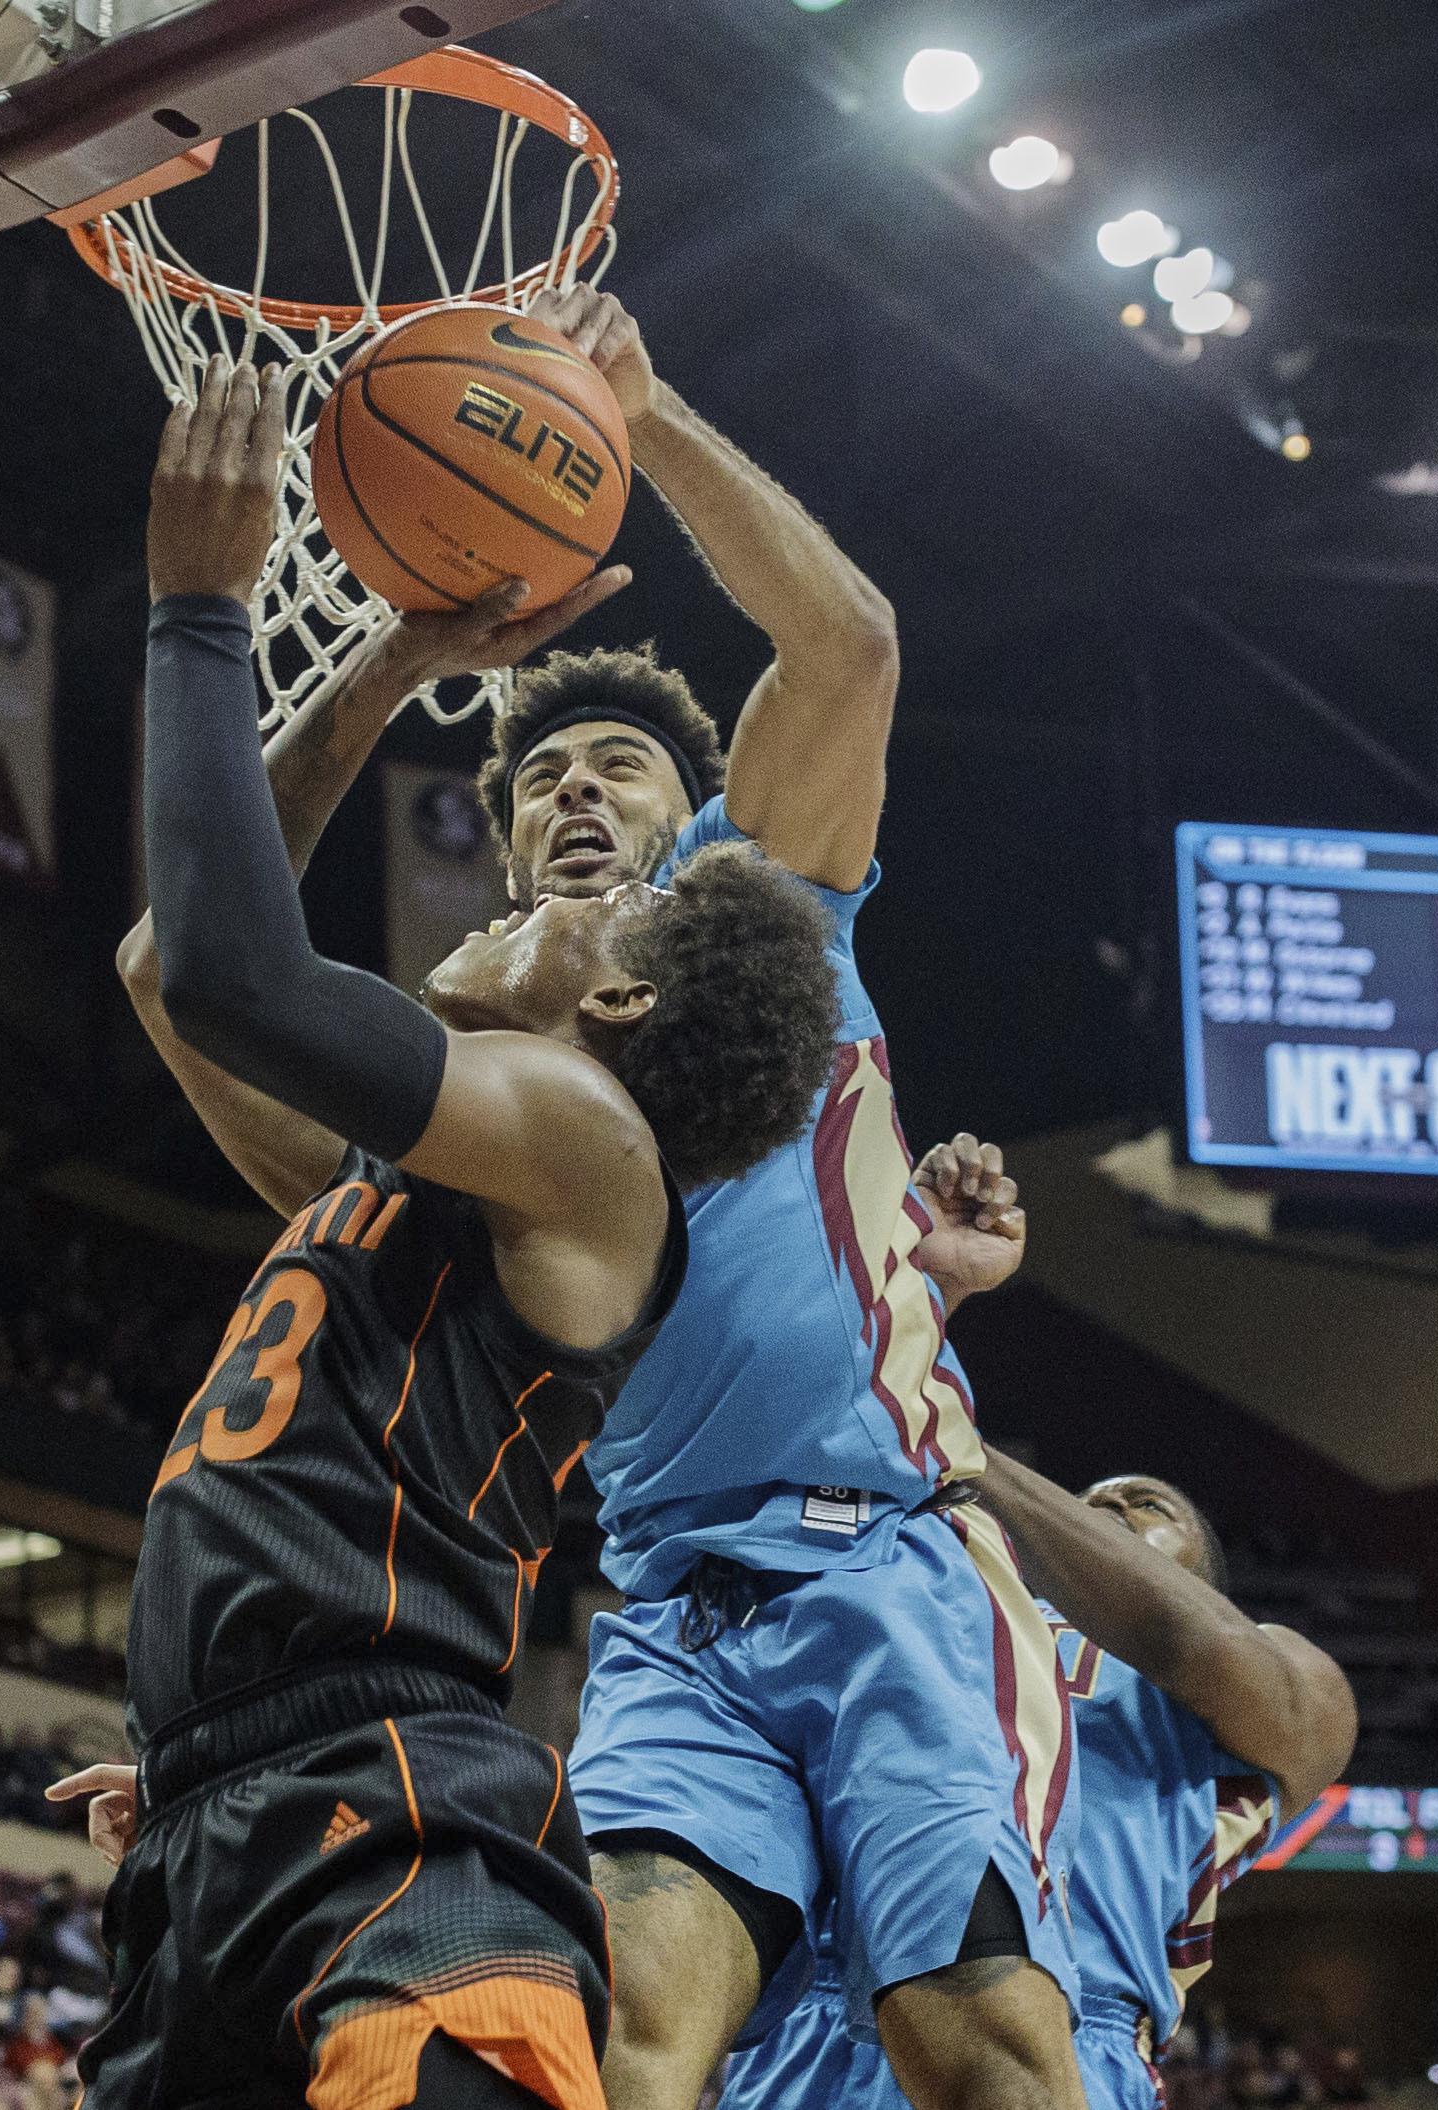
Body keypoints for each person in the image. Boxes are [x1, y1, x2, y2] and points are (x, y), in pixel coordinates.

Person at [143, 285, 1081, 2109]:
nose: (574, 797)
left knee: (972, 2039)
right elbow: (179, 964)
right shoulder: (497, 1090)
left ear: (697, 821)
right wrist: (388, 663)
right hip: (665, 1594)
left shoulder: (764, 897)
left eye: (619, 768)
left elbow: (853, 651)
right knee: (631, 2038)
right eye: (540, 784)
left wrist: (638, 421)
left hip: (886, 1542)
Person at [48, 357, 841, 2110]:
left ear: (624, 990)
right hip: (222, 1813)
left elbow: (228, 970)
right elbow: (160, 965)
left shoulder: (583, 1143)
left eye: (591, 890)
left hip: (398, 1819)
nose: (535, 868)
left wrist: (201, 609)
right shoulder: (407, 1182)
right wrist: (392, 665)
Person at [719, 1438, 1356, 2110]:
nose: (1106, 1504)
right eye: (1085, 1505)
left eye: (1145, 1503)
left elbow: (1211, 1649)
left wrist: (952, 1441)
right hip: (822, 2016)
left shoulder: (1274, 1669)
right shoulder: (932, 1608)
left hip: (1075, 2025)